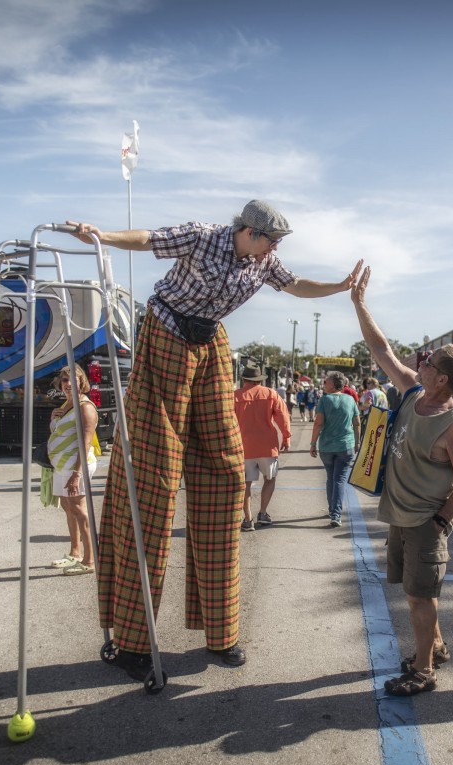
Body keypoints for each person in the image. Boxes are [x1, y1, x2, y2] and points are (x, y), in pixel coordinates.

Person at [66, 201, 360, 675]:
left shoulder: (263, 261)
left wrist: (340, 287)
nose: (274, 248)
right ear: (246, 231)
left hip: (209, 343)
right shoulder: (203, 236)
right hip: (165, 335)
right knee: (154, 484)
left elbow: (296, 285)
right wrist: (101, 235)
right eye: (270, 239)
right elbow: (148, 240)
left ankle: (221, 633)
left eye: (278, 243)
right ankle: (134, 643)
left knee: (226, 477)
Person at [350, 265, 453, 697]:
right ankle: (435, 646)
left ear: (442, 379)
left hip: (425, 521)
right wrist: (359, 303)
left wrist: (440, 522)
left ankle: (423, 670)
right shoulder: (411, 393)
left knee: (421, 598)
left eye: (428, 363)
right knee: (414, 593)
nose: (418, 364)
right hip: (400, 518)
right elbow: (381, 348)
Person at [46, 363, 100, 576]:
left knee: (79, 509)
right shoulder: (67, 404)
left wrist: (77, 474)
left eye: (72, 379)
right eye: (65, 380)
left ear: (81, 381)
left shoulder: (86, 407)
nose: (68, 384)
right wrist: (53, 417)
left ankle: (89, 560)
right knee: (68, 507)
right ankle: (75, 553)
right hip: (62, 465)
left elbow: (86, 442)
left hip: (76, 466)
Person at [234, 365, 291, 531]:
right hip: (267, 446)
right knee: (270, 479)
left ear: (244, 379)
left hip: (243, 447)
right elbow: (283, 416)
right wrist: (286, 436)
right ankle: (263, 513)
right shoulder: (270, 394)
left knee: (245, 484)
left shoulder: (234, 396)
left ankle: (247, 519)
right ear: (260, 379)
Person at [309, 371, 360, 527]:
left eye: (326, 382)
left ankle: (334, 511)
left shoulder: (325, 400)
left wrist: (313, 443)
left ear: (332, 384)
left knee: (331, 478)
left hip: (327, 447)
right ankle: (335, 513)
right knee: (339, 479)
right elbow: (357, 422)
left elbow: (318, 423)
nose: (324, 384)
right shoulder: (350, 400)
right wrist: (357, 443)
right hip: (346, 446)